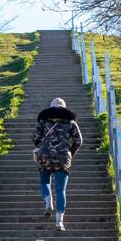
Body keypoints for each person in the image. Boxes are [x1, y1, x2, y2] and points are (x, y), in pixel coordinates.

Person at [33, 96, 83, 231]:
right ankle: (59, 222)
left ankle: (48, 202)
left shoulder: (43, 122)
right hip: (63, 157)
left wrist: (40, 147)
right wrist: (70, 153)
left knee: (45, 182)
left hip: (45, 156)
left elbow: (36, 139)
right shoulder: (71, 123)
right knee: (61, 190)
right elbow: (78, 141)